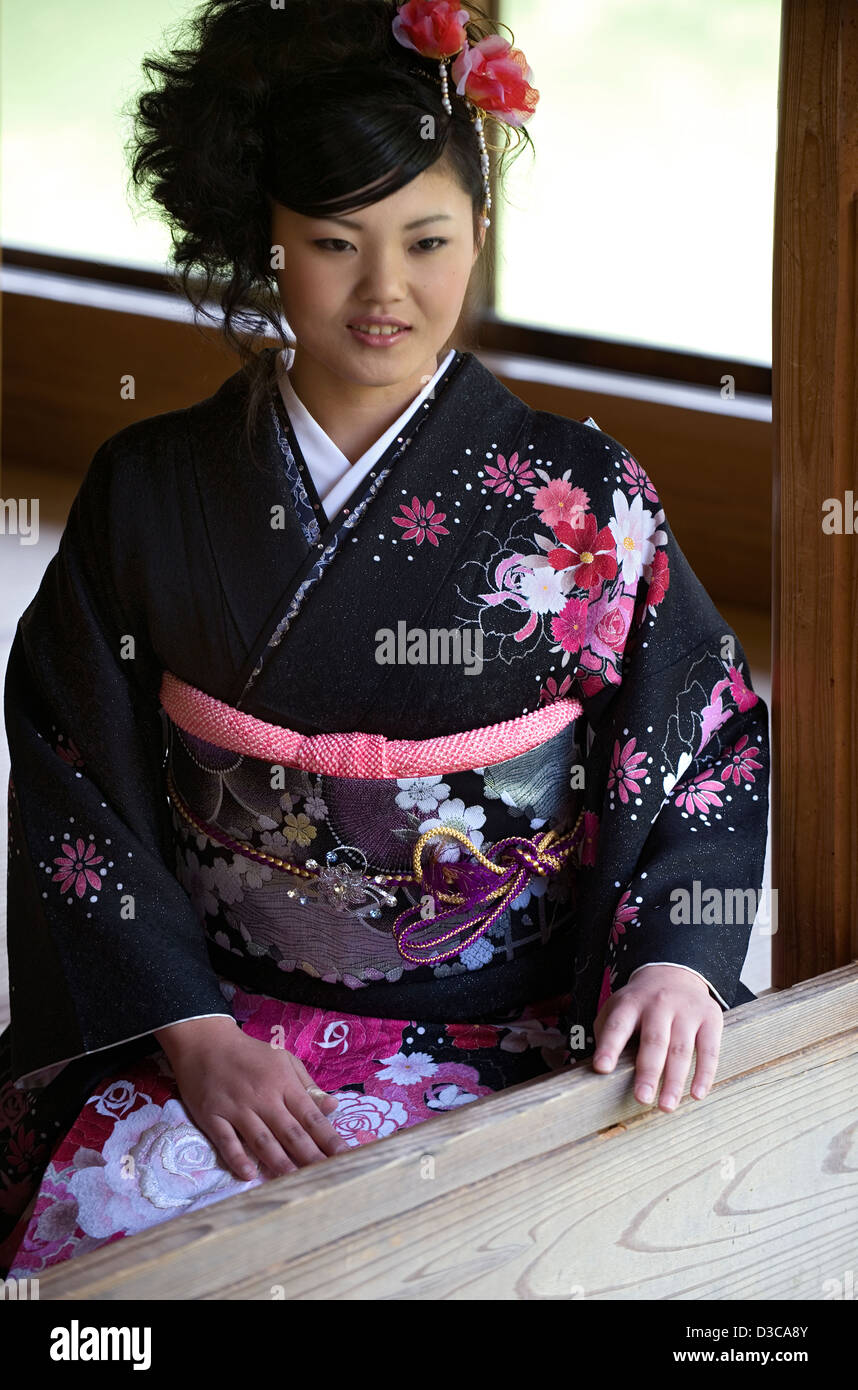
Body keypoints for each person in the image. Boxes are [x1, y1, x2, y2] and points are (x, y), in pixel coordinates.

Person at [0, 0, 769, 1278]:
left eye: (427, 240)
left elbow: (703, 730)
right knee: (107, 1270)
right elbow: (71, 753)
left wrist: (678, 961)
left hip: (524, 1030)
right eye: (333, 243)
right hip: (226, 1036)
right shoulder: (151, 488)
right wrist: (182, 1021)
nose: (384, 291)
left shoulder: (579, 495)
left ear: (479, 234)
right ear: (270, 245)